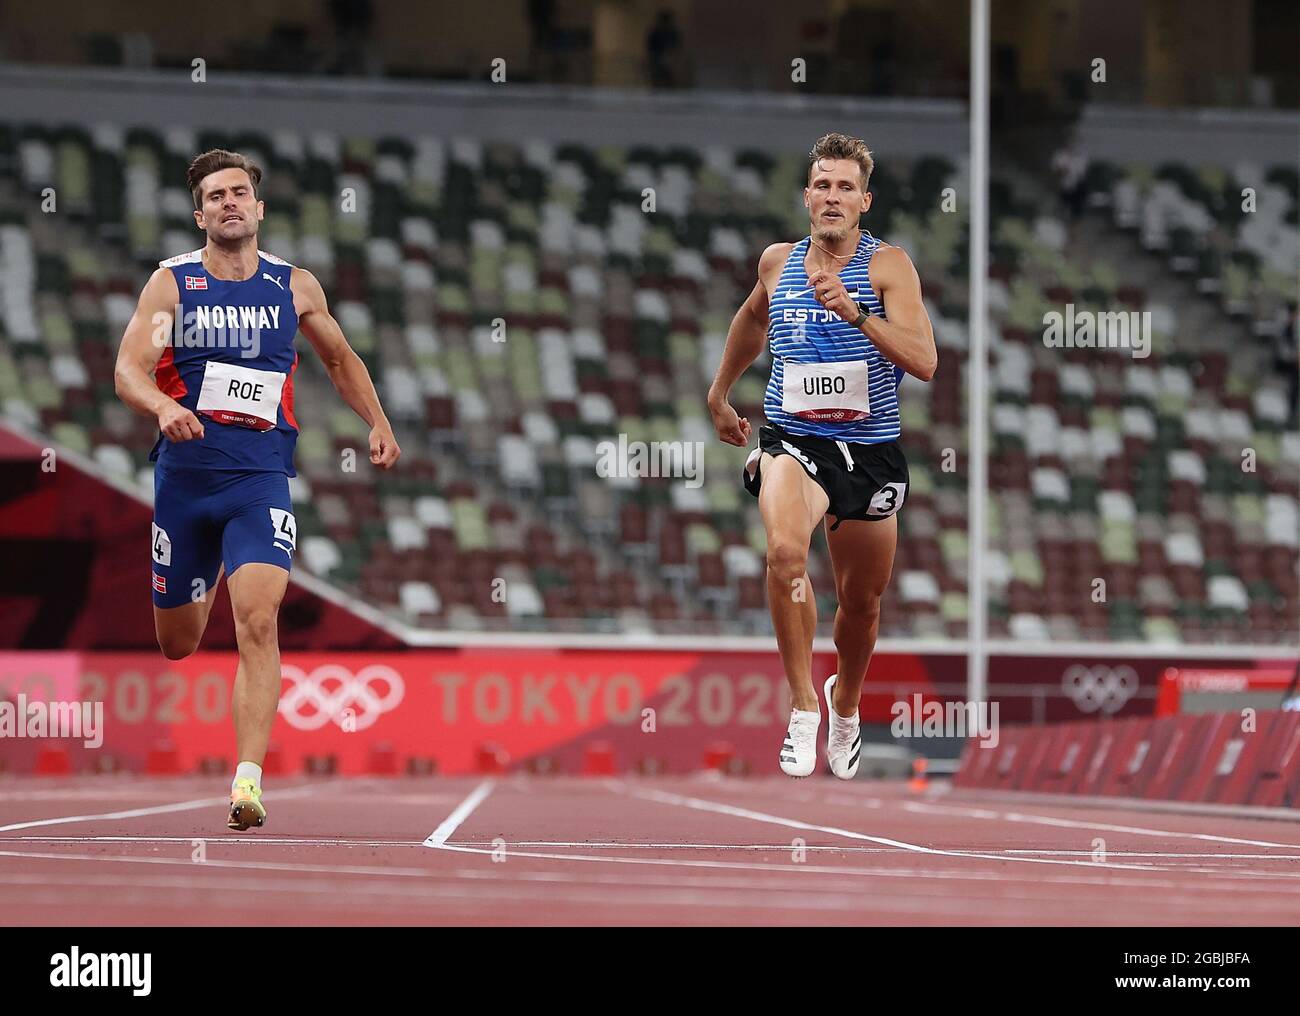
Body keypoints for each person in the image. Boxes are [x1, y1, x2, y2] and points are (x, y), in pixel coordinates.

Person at [114, 149, 400, 828]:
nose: (230, 203)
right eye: (216, 196)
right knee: (178, 643)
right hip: (184, 484)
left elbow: (338, 357)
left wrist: (379, 421)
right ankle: (197, 574)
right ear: (200, 214)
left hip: (260, 480)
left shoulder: (294, 286)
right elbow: (129, 368)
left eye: (240, 192)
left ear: (259, 207)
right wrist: (162, 407)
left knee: (259, 621)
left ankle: (247, 781)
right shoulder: (173, 285)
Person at [707, 132, 936, 779]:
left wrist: (858, 313)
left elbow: (924, 361)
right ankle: (803, 703)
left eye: (845, 187)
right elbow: (753, 321)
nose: (832, 196)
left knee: (860, 606)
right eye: (822, 184)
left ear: (864, 200)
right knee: (784, 553)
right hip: (792, 439)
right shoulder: (778, 263)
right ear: (807, 195)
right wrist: (720, 391)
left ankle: (847, 703)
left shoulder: (889, 267)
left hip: (868, 453)